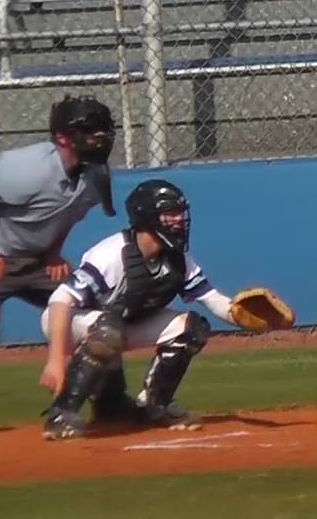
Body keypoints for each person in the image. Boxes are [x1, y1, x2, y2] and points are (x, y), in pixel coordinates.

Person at [0, 95, 117, 438]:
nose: (99, 138)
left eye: (102, 130)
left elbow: (65, 217)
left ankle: (111, 400)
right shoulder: (24, 168)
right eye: (88, 131)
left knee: (96, 312)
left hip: (38, 262)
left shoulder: (96, 177)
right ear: (62, 137)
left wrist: (53, 254)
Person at [38, 179, 246, 440]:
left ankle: (154, 406)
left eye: (180, 212)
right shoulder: (113, 254)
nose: (180, 219)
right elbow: (60, 300)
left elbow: (211, 297)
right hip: (69, 321)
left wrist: (244, 316)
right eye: (171, 213)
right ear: (148, 216)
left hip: (117, 323)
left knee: (191, 329)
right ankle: (61, 414)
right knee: (108, 332)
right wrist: (56, 361)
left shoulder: (178, 257)